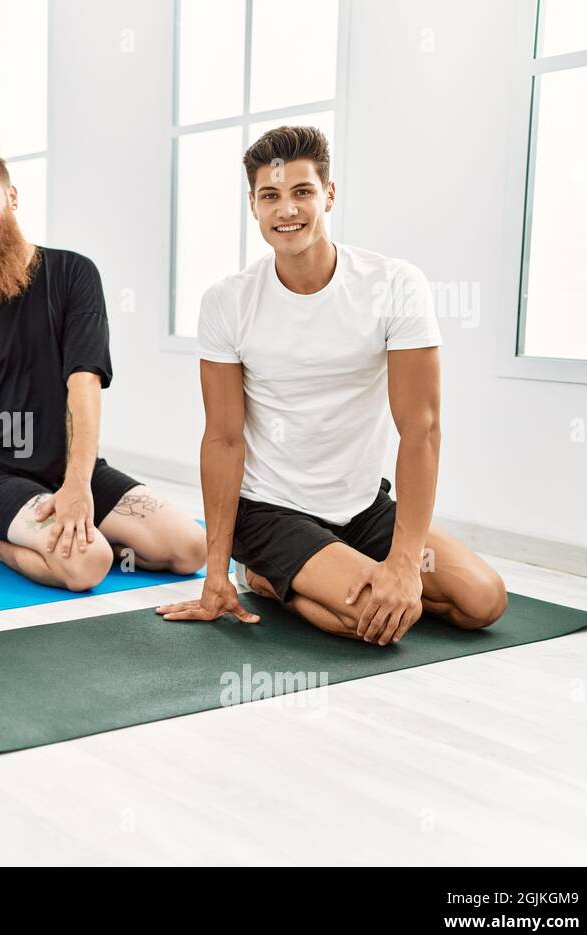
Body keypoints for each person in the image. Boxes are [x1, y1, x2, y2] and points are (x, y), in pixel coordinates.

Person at [157, 126, 507, 645]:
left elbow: (422, 430)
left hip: (362, 506)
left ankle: (329, 572)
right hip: (272, 510)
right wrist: (213, 570)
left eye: (302, 192)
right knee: (368, 619)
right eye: (270, 196)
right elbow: (223, 439)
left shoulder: (393, 284)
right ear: (252, 205)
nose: (287, 210)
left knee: (483, 600)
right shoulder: (227, 301)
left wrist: (406, 565)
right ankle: (262, 574)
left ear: (329, 195)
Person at [0, 151, 208, 592]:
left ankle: (67, 530)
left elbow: (85, 382)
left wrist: (78, 484)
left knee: (190, 548)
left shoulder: (73, 274)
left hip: (72, 467)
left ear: (11, 197)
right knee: (87, 564)